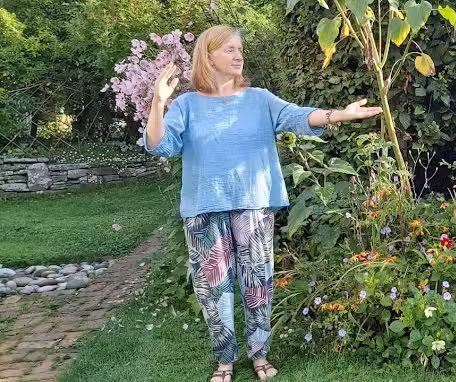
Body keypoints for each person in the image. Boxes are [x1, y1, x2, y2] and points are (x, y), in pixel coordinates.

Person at [144, 25, 382, 382]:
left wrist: (340, 114)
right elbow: (159, 145)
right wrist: (158, 103)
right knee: (213, 289)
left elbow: (299, 116)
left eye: (240, 48)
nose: (239, 55)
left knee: (257, 283)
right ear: (207, 57)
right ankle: (224, 361)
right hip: (204, 209)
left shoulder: (259, 98)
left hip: (253, 204)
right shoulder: (187, 105)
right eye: (229, 49)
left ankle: (259, 354)